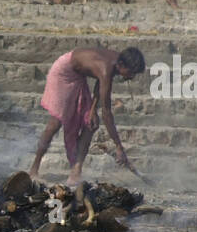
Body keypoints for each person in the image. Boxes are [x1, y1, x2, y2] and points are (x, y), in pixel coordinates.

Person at [28, 46, 145, 186]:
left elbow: (99, 84)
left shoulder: (115, 62)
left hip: (79, 77)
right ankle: (34, 169)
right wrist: (119, 146)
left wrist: (92, 109)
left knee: (91, 123)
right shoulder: (106, 68)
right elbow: (107, 112)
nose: (130, 77)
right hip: (63, 73)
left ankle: (76, 172)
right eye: (131, 73)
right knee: (55, 123)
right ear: (121, 65)